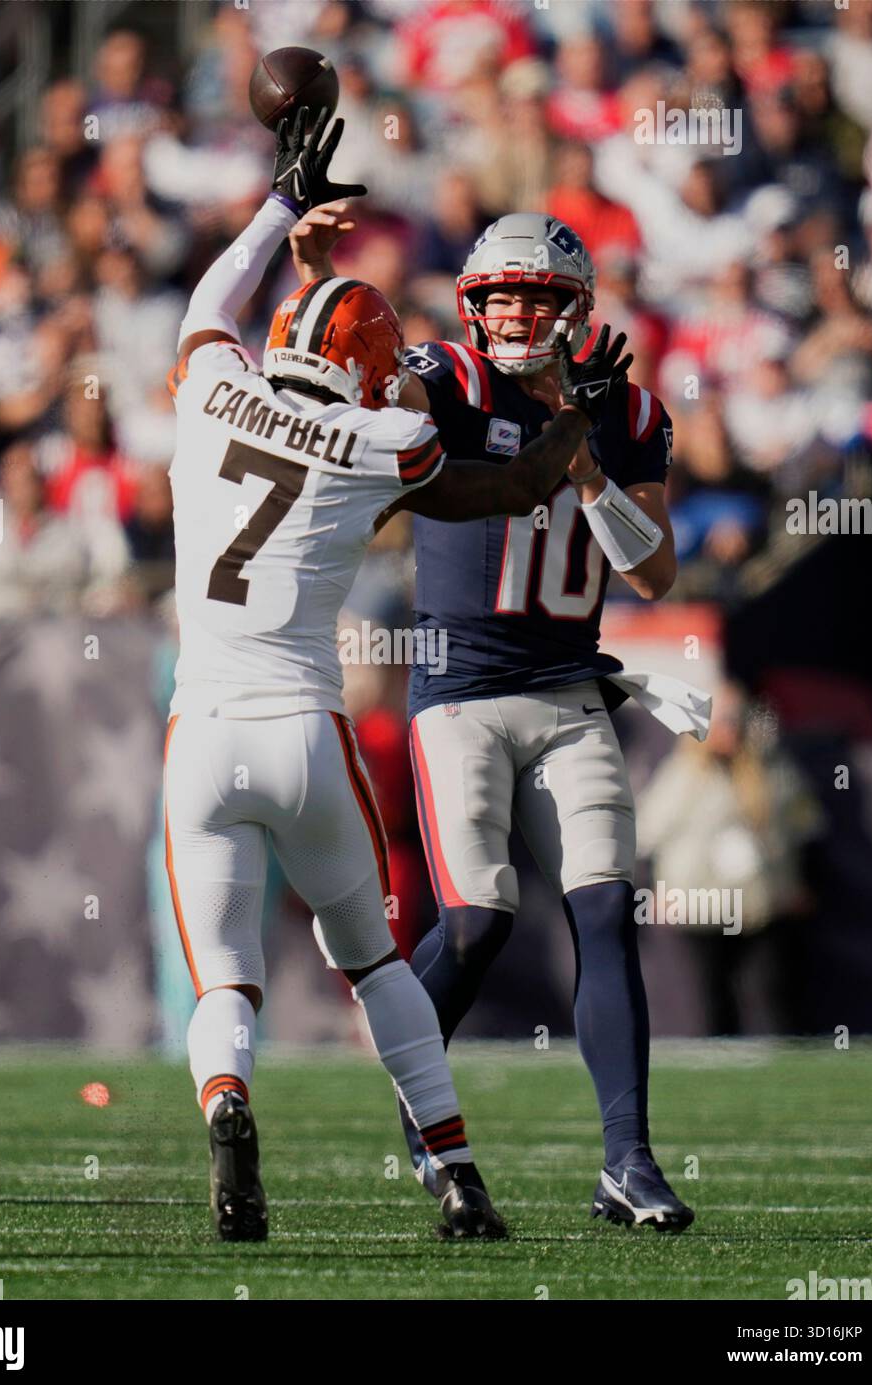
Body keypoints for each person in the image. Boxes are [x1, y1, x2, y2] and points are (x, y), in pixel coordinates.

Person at [164, 110, 625, 1242]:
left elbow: (215, 303)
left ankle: (228, 1104)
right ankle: (457, 1173)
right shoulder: (384, 446)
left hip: (202, 736)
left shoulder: (205, 390)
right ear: (371, 368)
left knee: (225, 984)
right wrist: (572, 427)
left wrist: (282, 209)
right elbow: (493, 487)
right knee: (374, 961)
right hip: (310, 740)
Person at [291, 203, 707, 1233]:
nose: (518, 313)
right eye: (501, 295)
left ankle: (630, 1163)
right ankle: (415, 1086)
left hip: (570, 692)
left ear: (576, 307)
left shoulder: (632, 415)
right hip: (461, 693)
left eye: (537, 295)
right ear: (475, 303)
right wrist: (308, 267)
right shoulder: (448, 381)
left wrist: (586, 453)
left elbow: (652, 573)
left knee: (606, 910)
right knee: (476, 921)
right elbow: (361, 380)